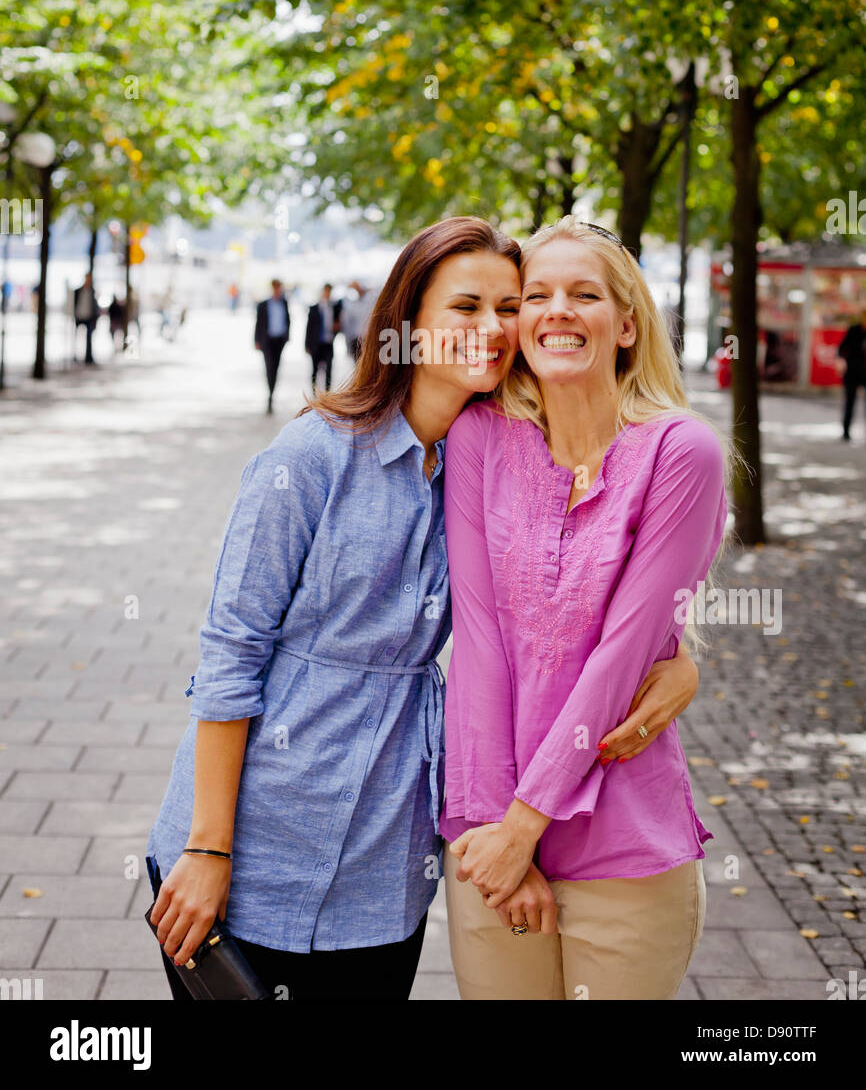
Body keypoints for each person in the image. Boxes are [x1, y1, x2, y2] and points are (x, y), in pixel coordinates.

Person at [144, 217, 699, 1002]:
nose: (495, 329)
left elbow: (567, 609)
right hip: (258, 846)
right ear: (407, 324)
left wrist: (679, 662)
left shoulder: (493, 462)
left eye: (509, 308)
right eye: (465, 307)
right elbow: (232, 653)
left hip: (384, 865)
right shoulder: (311, 460)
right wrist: (208, 849)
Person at [442, 217, 728, 1001]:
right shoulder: (479, 438)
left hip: (624, 851)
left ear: (627, 324)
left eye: (585, 294)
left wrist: (525, 826)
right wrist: (497, 836)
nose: (557, 310)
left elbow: (626, 654)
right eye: (536, 295)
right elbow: (479, 643)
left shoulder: (681, 451)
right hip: (486, 836)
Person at [254, 280, 291, 415]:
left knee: (276, 367)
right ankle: (269, 396)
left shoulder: (284, 303)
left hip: (279, 341)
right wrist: (256, 340)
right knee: (269, 367)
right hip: (267, 341)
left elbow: (288, 320)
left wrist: (287, 336)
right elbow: (258, 323)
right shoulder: (264, 304)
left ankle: (272, 392)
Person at [304, 283, 342, 391]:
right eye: (326, 291)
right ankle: (314, 392)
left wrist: (337, 329)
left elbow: (339, 325)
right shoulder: (314, 308)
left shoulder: (335, 308)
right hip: (316, 344)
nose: (327, 294)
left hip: (328, 343)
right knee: (315, 370)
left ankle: (327, 392)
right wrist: (307, 345)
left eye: (329, 292)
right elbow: (309, 328)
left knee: (329, 369)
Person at [838, 309, 866, 441]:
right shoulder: (854, 330)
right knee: (849, 402)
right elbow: (841, 348)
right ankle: (846, 431)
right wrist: (841, 361)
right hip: (853, 372)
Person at [340, 281, 377, 362]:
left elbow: (378, 294)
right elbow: (347, 326)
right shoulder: (351, 305)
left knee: (369, 363)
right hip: (355, 340)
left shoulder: (370, 302)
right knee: (358, 365)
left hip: (368, 338)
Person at [73, 272, 100, 365]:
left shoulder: (92, 291)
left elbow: (95, 306)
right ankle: (75, 356)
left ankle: (88, 357)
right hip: (79, 316)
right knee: (76, 338)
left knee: (89, 338)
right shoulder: (78, 291)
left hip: (89, 317)